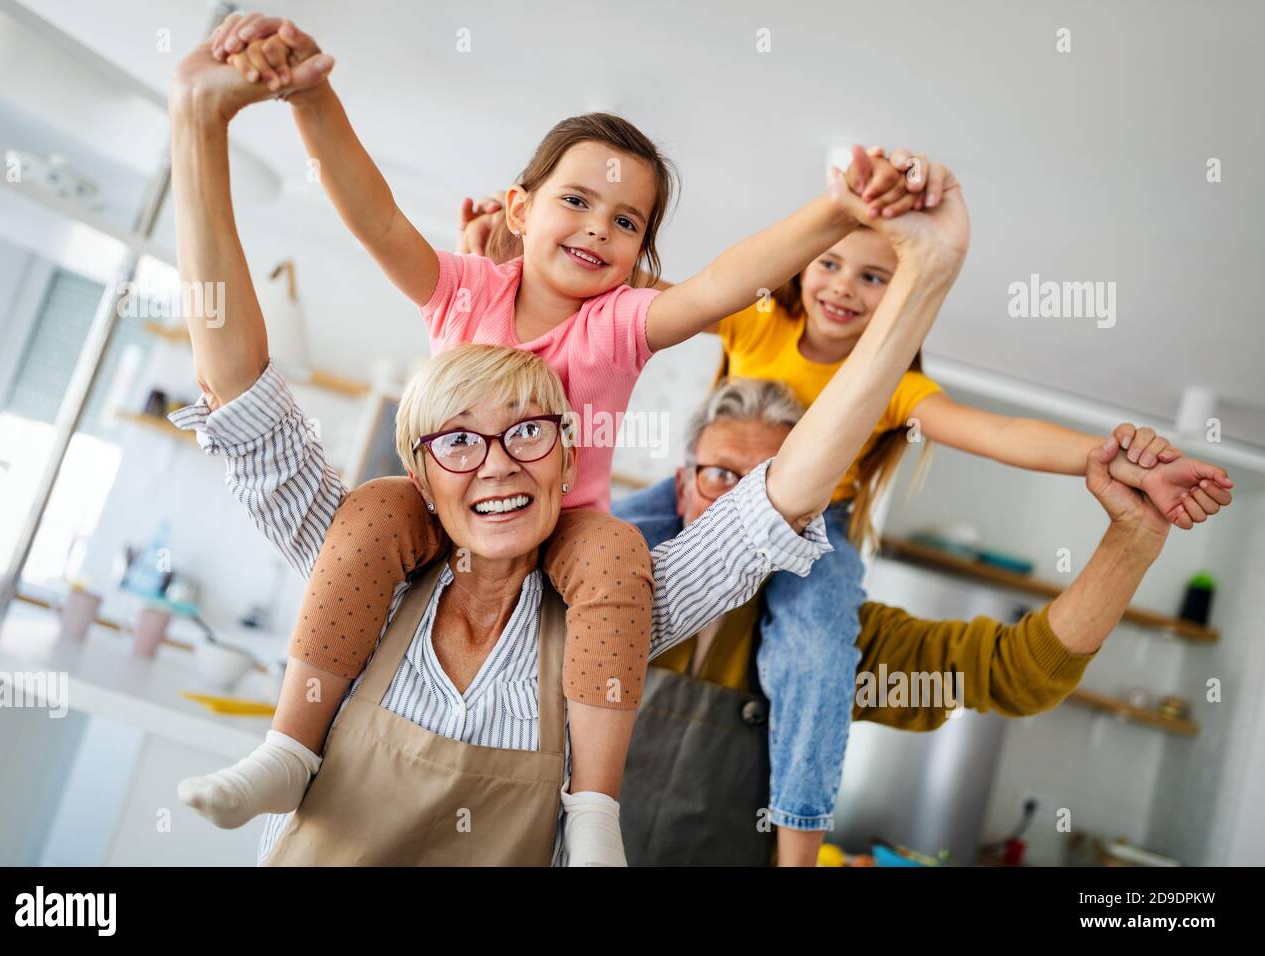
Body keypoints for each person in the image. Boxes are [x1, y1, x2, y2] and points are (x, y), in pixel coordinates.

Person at [163, 26, 973, 863]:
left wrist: (861, 227)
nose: (502, 462)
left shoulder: (606, 609)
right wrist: (247, 111)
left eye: (534, 432)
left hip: (581, 544)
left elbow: (770, 442)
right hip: (401, 521)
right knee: (370, 509)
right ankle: (287, 751)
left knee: (617, 545)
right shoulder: (368, 562)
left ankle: (594, 814)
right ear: (520, 208)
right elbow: (343, 251)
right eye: (465, 438)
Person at [611, 376, 1233, 864]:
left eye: (770, 482)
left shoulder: (831, 645)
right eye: (722, 475)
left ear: (808, 508)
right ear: (681, 484)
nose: (744, 504)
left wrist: (1132, 539)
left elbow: (1016, 672)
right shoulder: (603, 597)